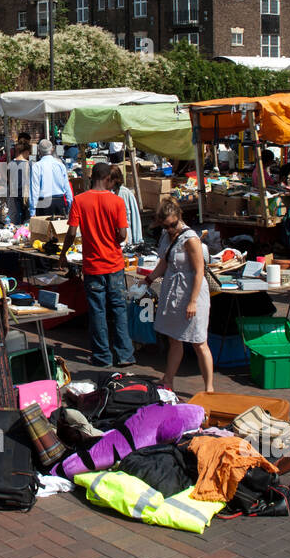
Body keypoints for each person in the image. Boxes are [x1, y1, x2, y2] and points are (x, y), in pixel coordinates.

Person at [61, 162, 134, 368]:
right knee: (119, 308)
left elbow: (71, 233)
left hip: (93, 265)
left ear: (93, 177)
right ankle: (125, 355)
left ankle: (102, 356)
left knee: (97, 311)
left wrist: (63, 253)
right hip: (114, 263)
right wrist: (114, 242)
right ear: (107, 178)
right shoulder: (117, 202)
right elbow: (122, 234)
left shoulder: (79, 200)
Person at [143, 196, 214, 393]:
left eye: (172, 225)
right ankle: (168, 380)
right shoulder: (167, 235)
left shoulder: (190, 239)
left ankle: (209, 388)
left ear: (178, 217)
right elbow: (164, 262)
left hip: (191, 291)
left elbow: (199, 271)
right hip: (173, 291)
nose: (170, 229)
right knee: (175, 338)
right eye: (166, 226)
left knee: (199, 341)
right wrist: (149, 279)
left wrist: (192, 301)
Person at [30, 138, 73, 217]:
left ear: (39, 151)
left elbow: (34, 190)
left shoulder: (37, 166)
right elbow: (67, 188)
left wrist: (32, 211)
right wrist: (70, 205)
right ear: (52, 149)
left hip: (43, 203)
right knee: (60, 228)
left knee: (43, 229)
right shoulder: (60, 165)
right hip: (59, 202)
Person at [109, 166, 143, 246]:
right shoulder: (105, 194)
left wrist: (138, 242)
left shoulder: (127, 194)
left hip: (127, 241)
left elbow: (135, 219)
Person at [4, 141, 31, 225]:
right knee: (26, 219)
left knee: (15, 218)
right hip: (25, 195)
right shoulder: (29, 164)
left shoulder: (10, 164)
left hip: (13, 195)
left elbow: (8, 179)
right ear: (26, 152)